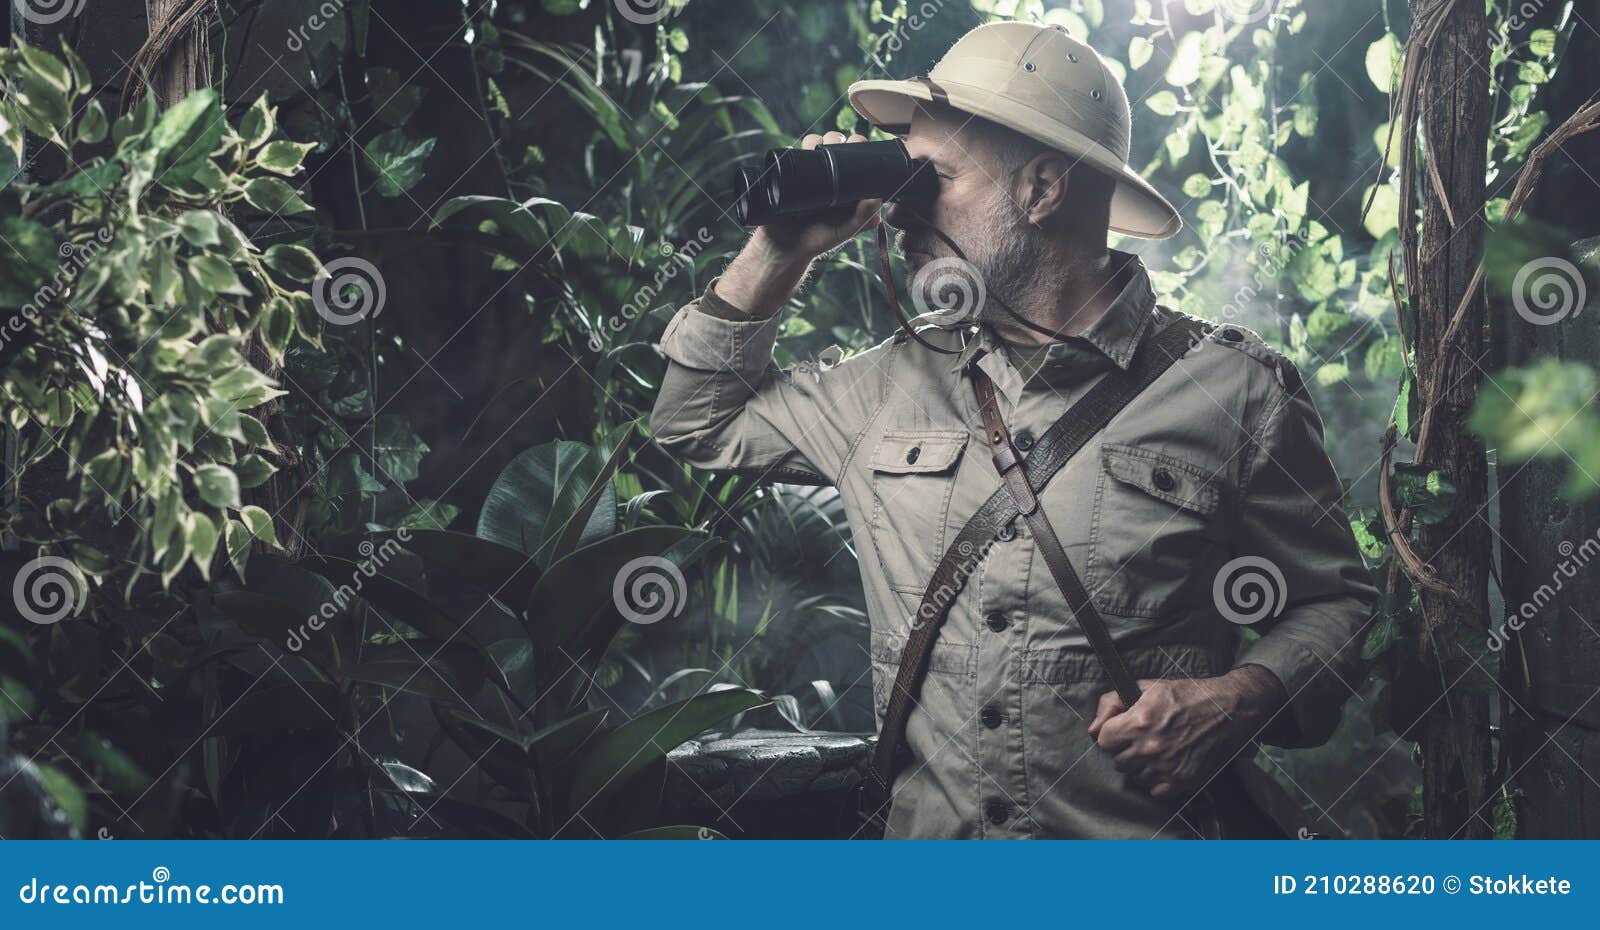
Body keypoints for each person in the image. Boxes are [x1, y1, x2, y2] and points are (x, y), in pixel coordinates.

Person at [649, 20, 1377, 838]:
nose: (898, 212)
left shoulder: (1233, 391)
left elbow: (1335, 602)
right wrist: (778, 253)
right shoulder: (886, 386)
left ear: (1040, 190)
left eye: (932, 180)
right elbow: (692, 425)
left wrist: (1240, 698)